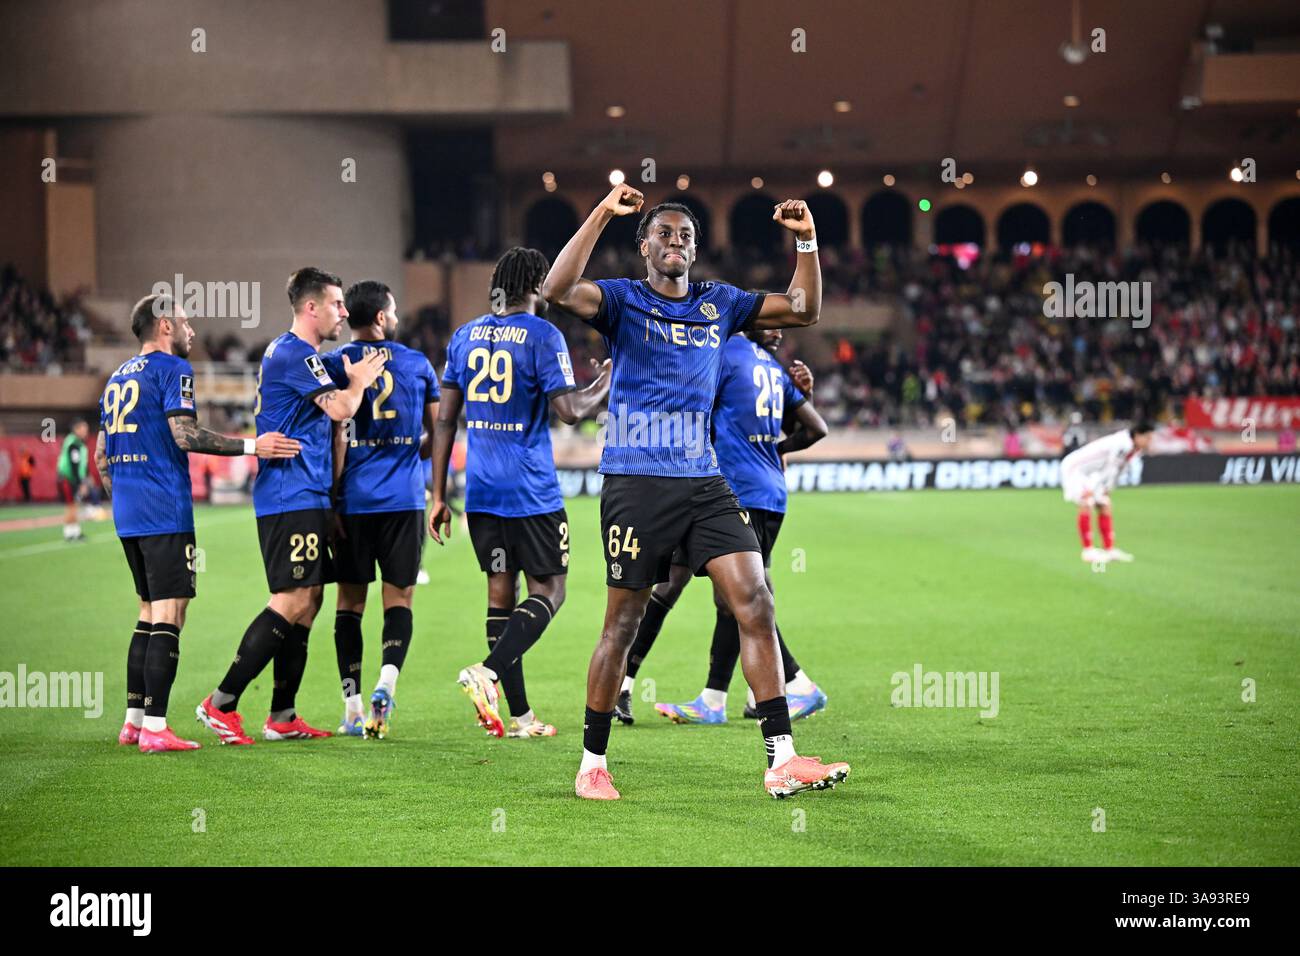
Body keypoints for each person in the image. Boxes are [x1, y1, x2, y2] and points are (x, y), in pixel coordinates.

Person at [538, 185, 850, 800]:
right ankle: (592, 763)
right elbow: (556, 290)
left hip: (705, 481)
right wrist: (602, 210)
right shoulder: (622, 301)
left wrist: (807, 236)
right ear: (645, 247)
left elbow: (805, 308)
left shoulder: (721, 304)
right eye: (664, 234)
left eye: (685, 235)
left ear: (695, 248)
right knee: (621, 626)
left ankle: (781, 758)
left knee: (755, 601)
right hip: (635, 482)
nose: (676, 241)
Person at [97, 294, 299, 752]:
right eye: (185, 322)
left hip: (129, 513)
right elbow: (183, 434)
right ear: (164, 325)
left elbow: (101, 455)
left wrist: (123, 500)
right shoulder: (173, 371)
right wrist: (253, 447)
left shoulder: (116, 378)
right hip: (163, 508)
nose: (191, 331)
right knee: (171, 612)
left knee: (148, 611)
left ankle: (133, 721)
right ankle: (155, 727)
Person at [196, 268, 386, 745]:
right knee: (292, 598)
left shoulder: (305, 357)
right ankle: (221, 702)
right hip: (290, 494)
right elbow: (341, 409)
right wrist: (359, 380)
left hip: (310, 493)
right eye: (337, 304)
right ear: (311, 307)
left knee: (310, 600)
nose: (344, 313)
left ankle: (282, 714)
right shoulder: (293, 354)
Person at [431, 247, 610, 739]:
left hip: (482, 490)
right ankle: (487, 671)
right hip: (529, 491)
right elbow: (571, 411)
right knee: (551, 590)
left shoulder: (464, 336)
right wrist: (605, 382)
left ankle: (521, 718)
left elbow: (445, 420)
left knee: (499, 594)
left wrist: (438, 494)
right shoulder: (543, 335)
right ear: (535, 285)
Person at [618, 329, 830, 726]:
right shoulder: (771, 368)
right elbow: (812, 427)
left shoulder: (727, 354)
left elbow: (692, 402)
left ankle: (796, 683)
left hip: (732, 491)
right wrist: (776, 450)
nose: (780, 330)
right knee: (723, 592)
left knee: (739, 593)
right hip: (757, 491)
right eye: (772, 321)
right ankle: (718, 697)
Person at [330, 280, 439, 739]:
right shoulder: (416, 364)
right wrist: (416, 466)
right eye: (392, 312)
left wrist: (334, 497)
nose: (395, 318)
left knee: (350, 603)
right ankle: (386, 683)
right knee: (400, 599)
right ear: (379, 317)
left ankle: (353, 707)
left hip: (353, 502)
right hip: (404, 500)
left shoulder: (334, 365)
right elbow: (439, 436)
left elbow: (333, 436)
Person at [1061, 420, 1155, 564]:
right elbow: (1109, 467)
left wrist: (1107, 489)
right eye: (1147, 438)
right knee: (1087, 502)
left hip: (1093, 473)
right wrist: (1095, 488)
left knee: (1105, 505)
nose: (1150, 441)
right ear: (1137, 435)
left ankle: (1109, 550)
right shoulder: (1123, 444)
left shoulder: (1133, 448)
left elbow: (1117, 470)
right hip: (1076, 469)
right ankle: (1088, 551)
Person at [57, 419, 90, 540]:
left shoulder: (78, 443)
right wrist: (80, 483)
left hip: (72, 478)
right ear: (76, 429)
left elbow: (82, 464)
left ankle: (74, 531)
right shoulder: (73, 443)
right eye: (83, 428)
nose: (85, 431)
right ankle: (69, 532)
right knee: (72, 505)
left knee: (74, 504)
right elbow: (74, 464)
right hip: (68, 478)